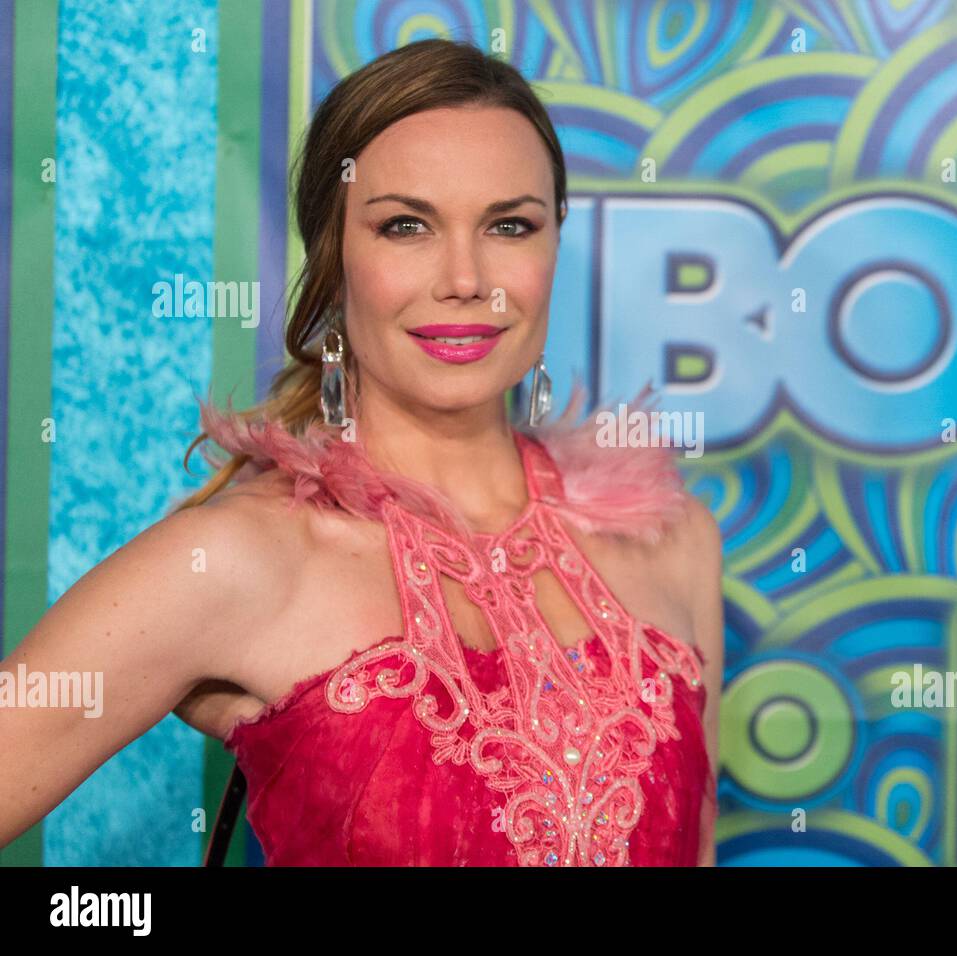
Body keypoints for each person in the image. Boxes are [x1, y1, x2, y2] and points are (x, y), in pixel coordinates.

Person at [0, 38, 722, 866]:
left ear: (554, 244)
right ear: (335, 260)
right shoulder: (238, 560)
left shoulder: (675, 540)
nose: (466, 278)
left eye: (510, 225)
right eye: (406, 225)